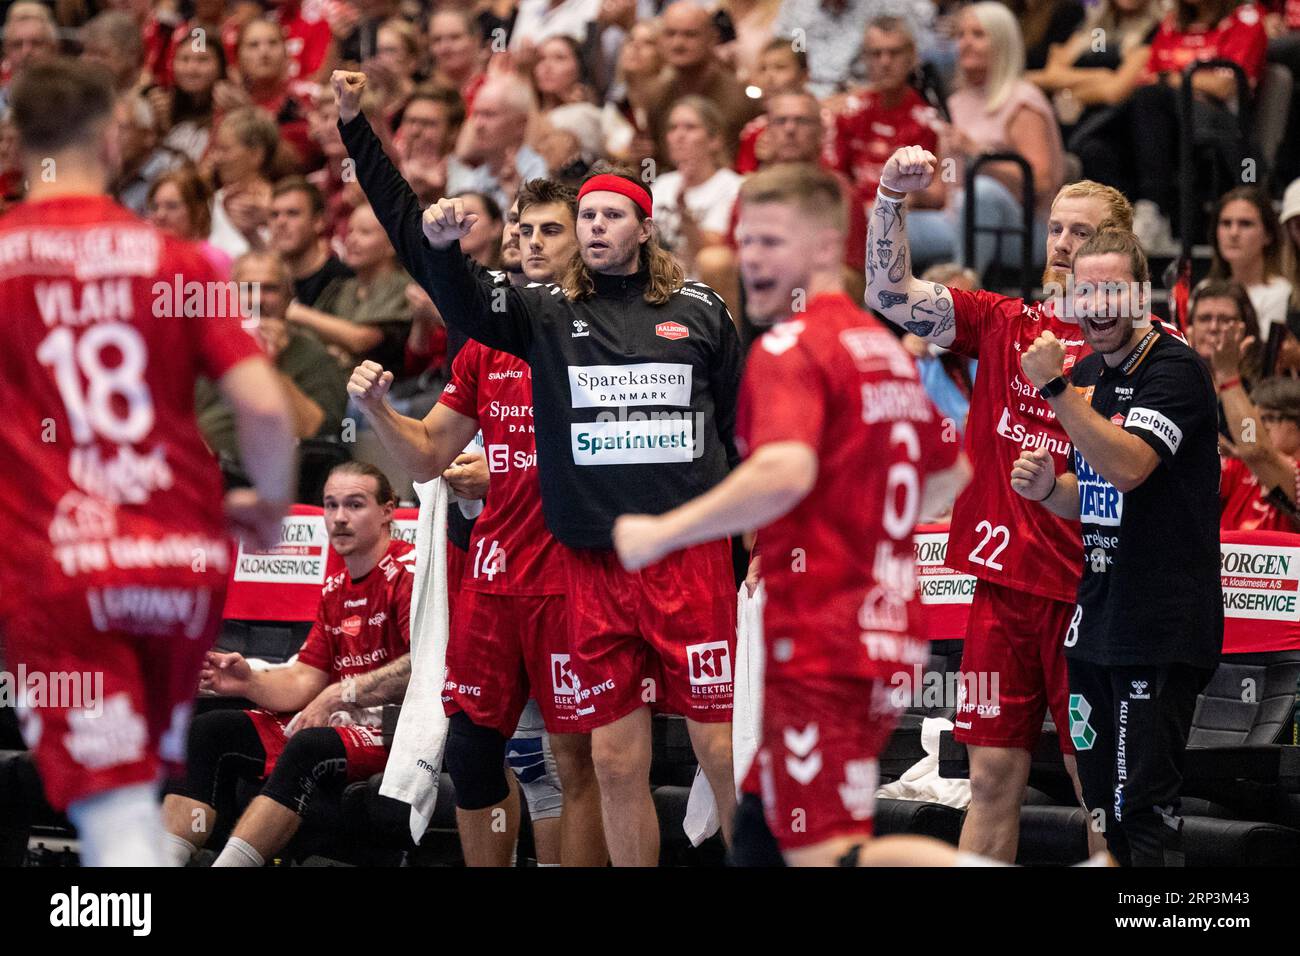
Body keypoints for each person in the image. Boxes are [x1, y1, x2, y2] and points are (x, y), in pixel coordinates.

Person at [336, 69, 743, 867]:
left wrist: (756, 555)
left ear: (644, 226)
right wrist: (360, 133)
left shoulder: (701, 311)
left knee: (722, 754)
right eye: (582, 215)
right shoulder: (542, 315)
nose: (592, 227)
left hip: (687, 561)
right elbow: (436, 276)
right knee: (614, 762)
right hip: (587, 565)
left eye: (606, 215)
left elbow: (742, 434)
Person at [612, 162, 971, 865]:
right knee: (763, 837)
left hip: (825, 642)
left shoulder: (790, 346)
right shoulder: (885, 352)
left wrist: (662, 531)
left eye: (772, 241)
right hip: (885, 633)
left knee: (823, 852)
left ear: (824, 248)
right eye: (747, 240)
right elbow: (949, 473)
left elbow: (785, 470)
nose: (750, 258)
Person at [0, 58, 294, 867]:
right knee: (130, 800)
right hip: (178, 564)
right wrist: (268, 507)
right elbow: (265, 408)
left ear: (17, 142)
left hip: (62, 563)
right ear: (115, 133)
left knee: (116, 814)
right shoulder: (183, 261)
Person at [865, 144, 1132, 862]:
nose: (1064, 245)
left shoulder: (1142, 354)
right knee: (989, 782)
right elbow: (890, 296)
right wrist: (890, 199)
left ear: (1122, 251)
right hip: (1000, 592)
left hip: (1090, 597)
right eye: (1056, 230)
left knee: (1096, 785)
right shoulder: (1004, 322)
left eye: (1084, 233)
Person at [346, 176, 608, 867]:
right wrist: (379, 410)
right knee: (469, 750)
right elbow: (429, 454)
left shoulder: (609, 334)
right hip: (493, 579)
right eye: (523, 231)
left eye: (550, 230)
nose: (531, 243)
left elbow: (629, 458)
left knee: (577, 760)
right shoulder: (487, 343)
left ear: (586, 238)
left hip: (575, 578)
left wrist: (515, 473)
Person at [1011, 228, 1221, 866]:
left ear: (1140, 296)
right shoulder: (1091, 374)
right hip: (1098, 620)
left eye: (1112, 291)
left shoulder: (1175, 368)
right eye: (1085, 291)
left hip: (1157, 629)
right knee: (1102, 811)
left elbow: (1131, 465)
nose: (1097, 306)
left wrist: (1055, 393)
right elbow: (1105, 489)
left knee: (1143, 812)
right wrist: (1053, 491)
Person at [162, 462, 415, 866]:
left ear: (389, 510)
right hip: (343, 725)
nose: (340, 518)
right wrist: (248, 683)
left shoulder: (409, 573)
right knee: (209, 731)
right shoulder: (335, 586)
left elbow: (425, 665)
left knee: (308, 745)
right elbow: (304, 678)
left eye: (355, 505)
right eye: (331, 506)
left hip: (396, 731)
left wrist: (343, 691)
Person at [195, 251, 349, 466]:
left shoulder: (316, 356)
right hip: (206, 469)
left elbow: (314, 433)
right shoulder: (206, 349)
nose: (257, 299)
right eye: (248, 288)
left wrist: (268, 364)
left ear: (288, 299)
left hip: (285, 475)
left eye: (270, 289)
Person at [946, 1, 1065, 276]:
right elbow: (948, 182)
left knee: (982, 193)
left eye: (977, 35)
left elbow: (1043, 181)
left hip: (1024, 228)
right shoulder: (953, 103)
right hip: (955, 215)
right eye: (961, 35)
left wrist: (980, 153)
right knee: (881, 218)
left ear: (1002, 43)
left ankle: (959, 297)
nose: (965, 43)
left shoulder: (1021, 101)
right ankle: (861, 312)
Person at [831, 16, 950, 270]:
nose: (885, 62)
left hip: (899, 218)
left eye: (894, 53)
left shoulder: (928, 122)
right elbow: (835, 178)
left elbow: (937, 196)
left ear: (911, 57)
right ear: (865, 59)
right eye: (876, 54)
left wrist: (887, 202)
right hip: (850, 218)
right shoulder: (848, 113)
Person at [1209, 185, 1295, 329]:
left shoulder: (1283, 293)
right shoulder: (1205, 288)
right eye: (1226, 223)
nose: (1233, 233)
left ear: (1268, 235)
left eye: (1245, 224)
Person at [269, 176, 355, 306]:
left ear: (318, 221)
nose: (280, 222)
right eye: (274, 215)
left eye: (292, 213)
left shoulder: (343, 280)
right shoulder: (265, 280)